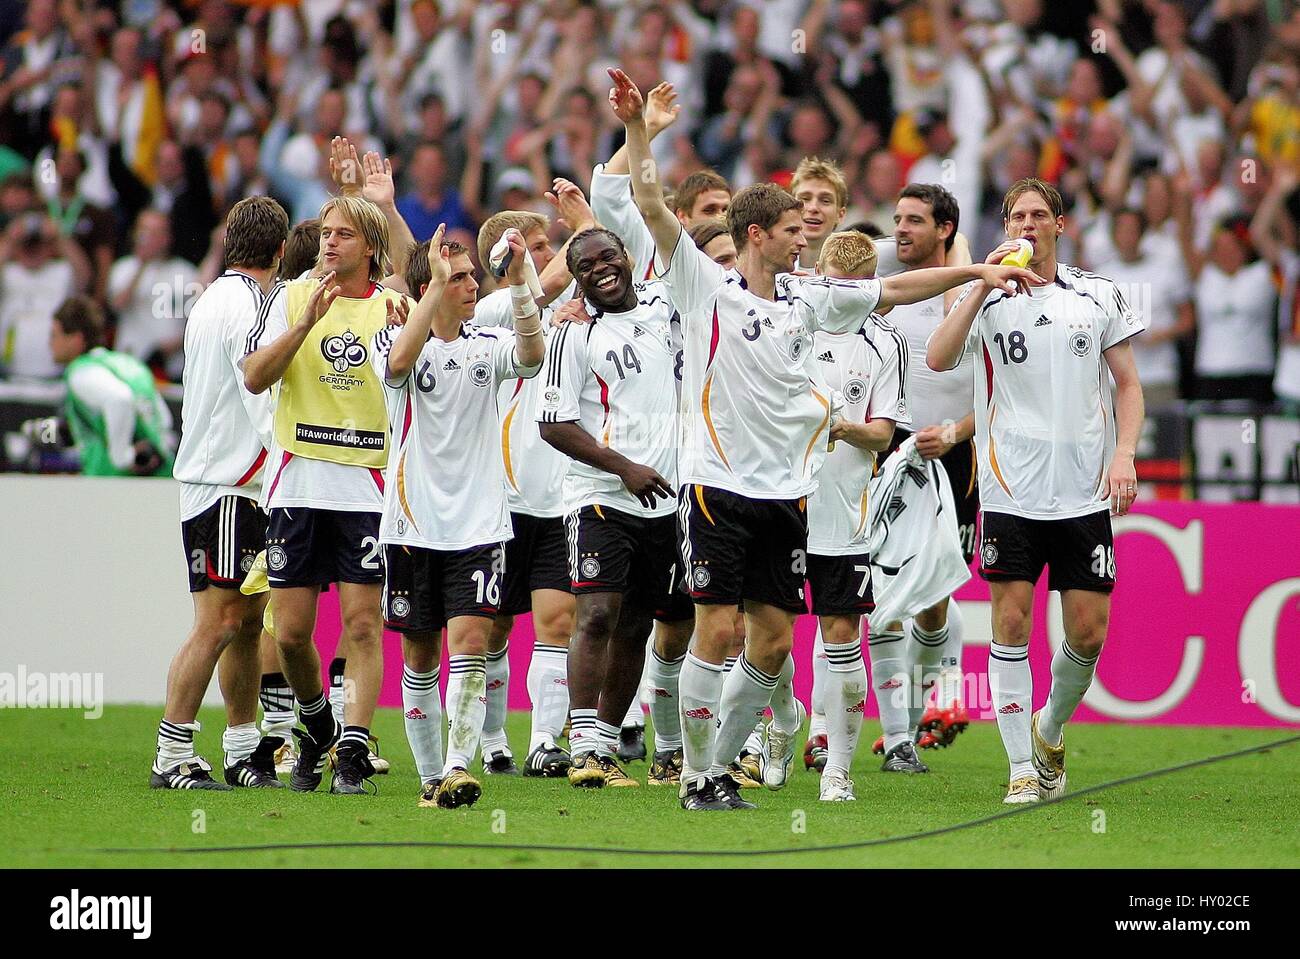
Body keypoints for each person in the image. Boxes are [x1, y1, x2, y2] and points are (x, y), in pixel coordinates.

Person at [609, 67, 1040, 811]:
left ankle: (722, 760)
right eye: (788, 231)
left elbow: (896, 289)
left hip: (788, 495)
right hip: (716, 486)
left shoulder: (808, 300)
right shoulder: (702, 287)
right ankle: (696, 771)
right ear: (756, 235)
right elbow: (649, 199)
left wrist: (975, 269)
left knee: (772, 645)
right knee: (716, 629)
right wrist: (639, 129)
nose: (802, 239)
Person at [927, 177, 1145, 805]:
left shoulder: (1098, 295)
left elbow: (1127, 385)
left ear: (1059, 224)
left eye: (1037, 216)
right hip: (1008, 491)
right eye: (1015, 217)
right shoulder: (986, 296)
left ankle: (1048, 731)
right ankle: (1022, 767)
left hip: (1081, 491)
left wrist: (1123, 455)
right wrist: (978, 287)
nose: (1026, 226)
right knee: (1012, 623)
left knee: (1088, 633)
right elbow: (940, 358)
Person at [243, 194, 415, 796]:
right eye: (327, 234)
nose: (330, 243)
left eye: (344, 234)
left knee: (363, 626)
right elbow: (255, 376)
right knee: (289, 632)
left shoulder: (395, 307)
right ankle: (315, 721)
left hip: (366, 483)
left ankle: (352, 751)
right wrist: (304, 326)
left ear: (369, 246)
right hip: (298, 480)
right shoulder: (291, 297)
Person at [375, 226, 544, 809]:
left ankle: (455, 767)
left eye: (475, 274)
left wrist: (520, 283)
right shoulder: (396, 344)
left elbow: (531, 355)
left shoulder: (485, 346)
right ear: (431, 287)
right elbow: (399, 364)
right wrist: (432, 285)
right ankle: (428, 778)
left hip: (479, 525)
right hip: (411, 524)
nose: (474, 284)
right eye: (461, 276)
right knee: (420, 656)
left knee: (469, 642)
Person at [538, 226, 694, 789]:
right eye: (585, 266)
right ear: (575, 278)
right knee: (598, 615)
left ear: (627, 258)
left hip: (668, 499)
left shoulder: (663, 304)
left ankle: (605, 744)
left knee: (636, 626)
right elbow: (553, 423)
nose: (600, 270)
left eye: (608, 258)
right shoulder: (573, 333)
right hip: (600, 496)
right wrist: (622, 467)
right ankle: (580, 744)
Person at [152, 196, 289, 790]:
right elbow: (257, 389)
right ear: (280, 252)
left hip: (227, 480)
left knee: (248, 621)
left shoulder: (212, 299)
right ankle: (172, 751)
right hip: (229, 483)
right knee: (219, 620)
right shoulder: (251, 307)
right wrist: (288, 466)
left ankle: (240, 744)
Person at [867, 183, 978, 772]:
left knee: (933, 600)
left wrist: (957, 433)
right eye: (897, 218)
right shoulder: (883, 278)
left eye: (915, 221)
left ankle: (918, 714)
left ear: (946, 230)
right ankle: (900, 737)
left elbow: (999, 397)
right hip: (883, 455)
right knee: (879, 595)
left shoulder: (974, 295)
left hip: (950, 462)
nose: (901, 230)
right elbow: (841, 256)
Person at [804, 231, 908, 801]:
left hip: (843, 512)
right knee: (752, 630)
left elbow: (883, 434)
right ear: (817, 275)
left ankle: (838, 769)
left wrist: (841, 426)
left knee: (841, 632)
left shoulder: (884, 344)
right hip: (776, 502)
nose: (841, 296)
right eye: (833, 285)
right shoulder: (790, 318)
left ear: (870, 288)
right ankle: (776, 725)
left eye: (854, 288)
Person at [49, 296, 174, 479]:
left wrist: (122, 457)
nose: (50, 343)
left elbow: (119, 399)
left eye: (54, 335)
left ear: (76, 339)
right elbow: (164, 420)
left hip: (113, 484)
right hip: (159, 478)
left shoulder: (81, 372)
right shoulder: (130, 365)